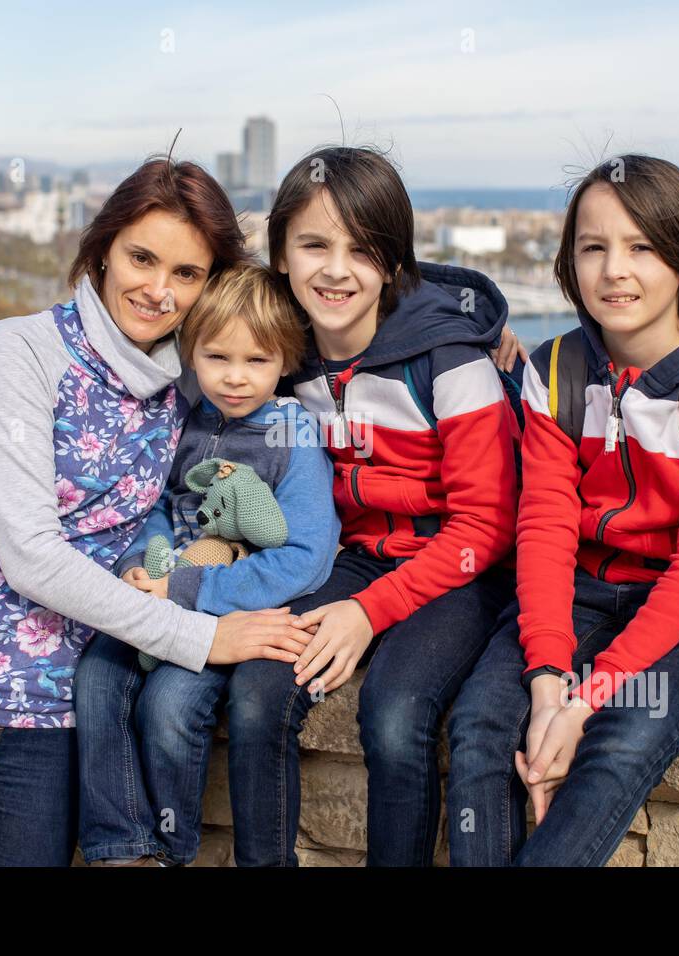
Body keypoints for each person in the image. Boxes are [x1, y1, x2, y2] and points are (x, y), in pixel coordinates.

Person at [0, 158, 309, 867]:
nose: (158, 290)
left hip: (55, 709)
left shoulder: (192, 380)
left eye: (186, 274)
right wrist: (202, 637)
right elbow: (31, 555)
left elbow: (298, 342)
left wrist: (476, 326)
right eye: (141, 258)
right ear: (102, 249)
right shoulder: (18, 353)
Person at [446, 153, 679, 866]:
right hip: (585, 589)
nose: (613, 271)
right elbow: (544, 530)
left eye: (642, 248)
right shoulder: (556, 371)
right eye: (593, 248)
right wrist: (545, 683)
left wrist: (584, 700)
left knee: (622, 738)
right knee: (480, 725)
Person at [223, 145, 522, 866]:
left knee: (394, 713)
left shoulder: (451, 360)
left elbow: (488, 524)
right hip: (354, 559)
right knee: (259, 692)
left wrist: (369, 613)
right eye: (314, 245)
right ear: (282, 255)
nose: (335, 269)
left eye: (363, 250)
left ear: (392, 262)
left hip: (461, 569)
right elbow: (203, 344)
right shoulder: (282, 359)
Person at [74, 261, 341, 866]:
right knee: (98, 675)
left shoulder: (290, 436)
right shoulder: (192, 418)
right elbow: (163, 504)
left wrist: (185, 588)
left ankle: (169, 851)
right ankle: (123, 847)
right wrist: (144, 566)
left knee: (168, 705)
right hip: (166, 588)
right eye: (219, 359)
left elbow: (305, 557)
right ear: (192, 353)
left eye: (258, 361)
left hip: (235, 614)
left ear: (286, 361)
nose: (238, 379)